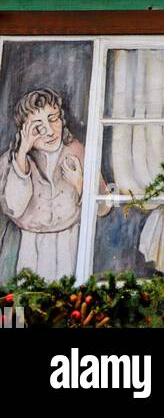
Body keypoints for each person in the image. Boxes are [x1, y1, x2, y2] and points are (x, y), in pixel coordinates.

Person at [0, 87, 108, 281]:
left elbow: (105, 205)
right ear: (24, 129)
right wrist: (22, 155)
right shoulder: (12, 160)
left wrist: (80, 184)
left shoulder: (78, 152)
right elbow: (13, 207)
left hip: (70, 242)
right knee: (28, 300)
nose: (49, 131)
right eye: (38, 126)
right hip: (28, 245)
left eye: (53, 119)